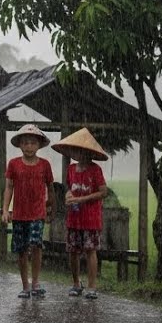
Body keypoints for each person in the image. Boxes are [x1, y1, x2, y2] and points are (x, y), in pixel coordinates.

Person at [52, 127, 109, 300]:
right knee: (73, 251)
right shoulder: (71, 169)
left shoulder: (95, 170)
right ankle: (76, 283)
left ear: (90, 152)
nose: (80, 154)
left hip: (91, 219)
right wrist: (68, 195)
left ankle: (92, 286)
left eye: (83, 150)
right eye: (77, 150)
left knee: (91, 250)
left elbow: (103, 192)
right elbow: (69, 188)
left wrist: (82, 199)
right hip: (74, 218)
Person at [1, 123, 56, 299]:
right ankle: (25, 285)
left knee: (36, 245)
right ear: (20, 145)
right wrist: (5, 210)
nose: (29, 147)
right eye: (25, 143)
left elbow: (51, 188)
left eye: (33, 143)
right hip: (19, 213)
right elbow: (9, 187)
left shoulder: (45, 165)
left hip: (38, 213)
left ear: (39, 145)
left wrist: (51, 208)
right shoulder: (14, 164)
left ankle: (36, 282)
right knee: (22, 249)